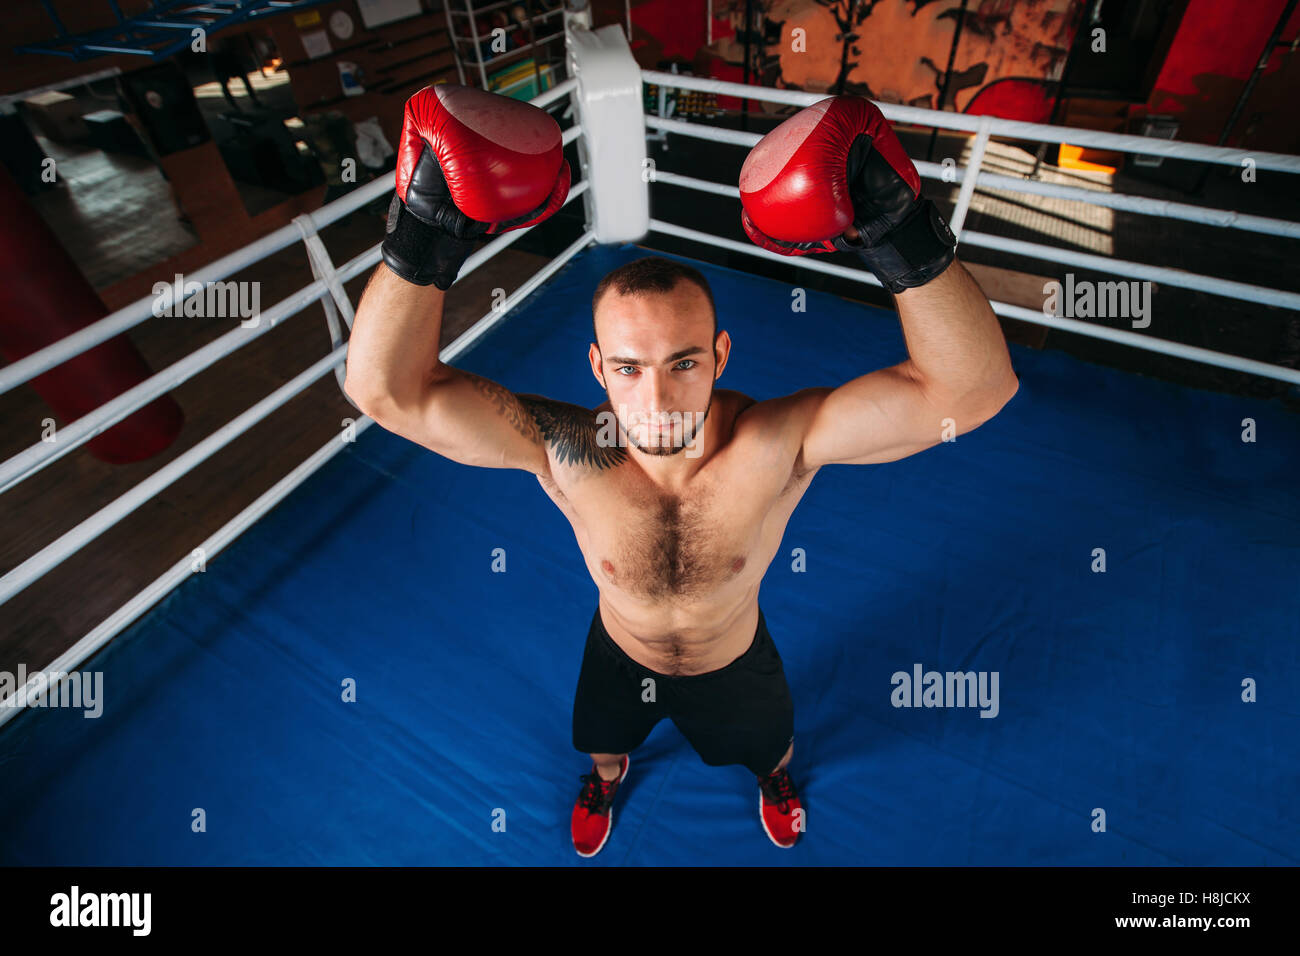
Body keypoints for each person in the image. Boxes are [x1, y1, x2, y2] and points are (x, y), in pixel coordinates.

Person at [344, 83, 1018, 856]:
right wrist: (424, 236)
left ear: (720, 356)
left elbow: (973, 390)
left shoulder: (774, 442)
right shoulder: (567, 446)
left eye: (684, 361)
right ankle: (606, 778)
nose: (657, 396)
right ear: (597, 367)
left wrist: (901, 233)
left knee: (771, 749)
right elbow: (386, 391)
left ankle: (774, 783)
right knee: (600, 744)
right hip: (617, 650)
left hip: (735, 660)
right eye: (628, 368)